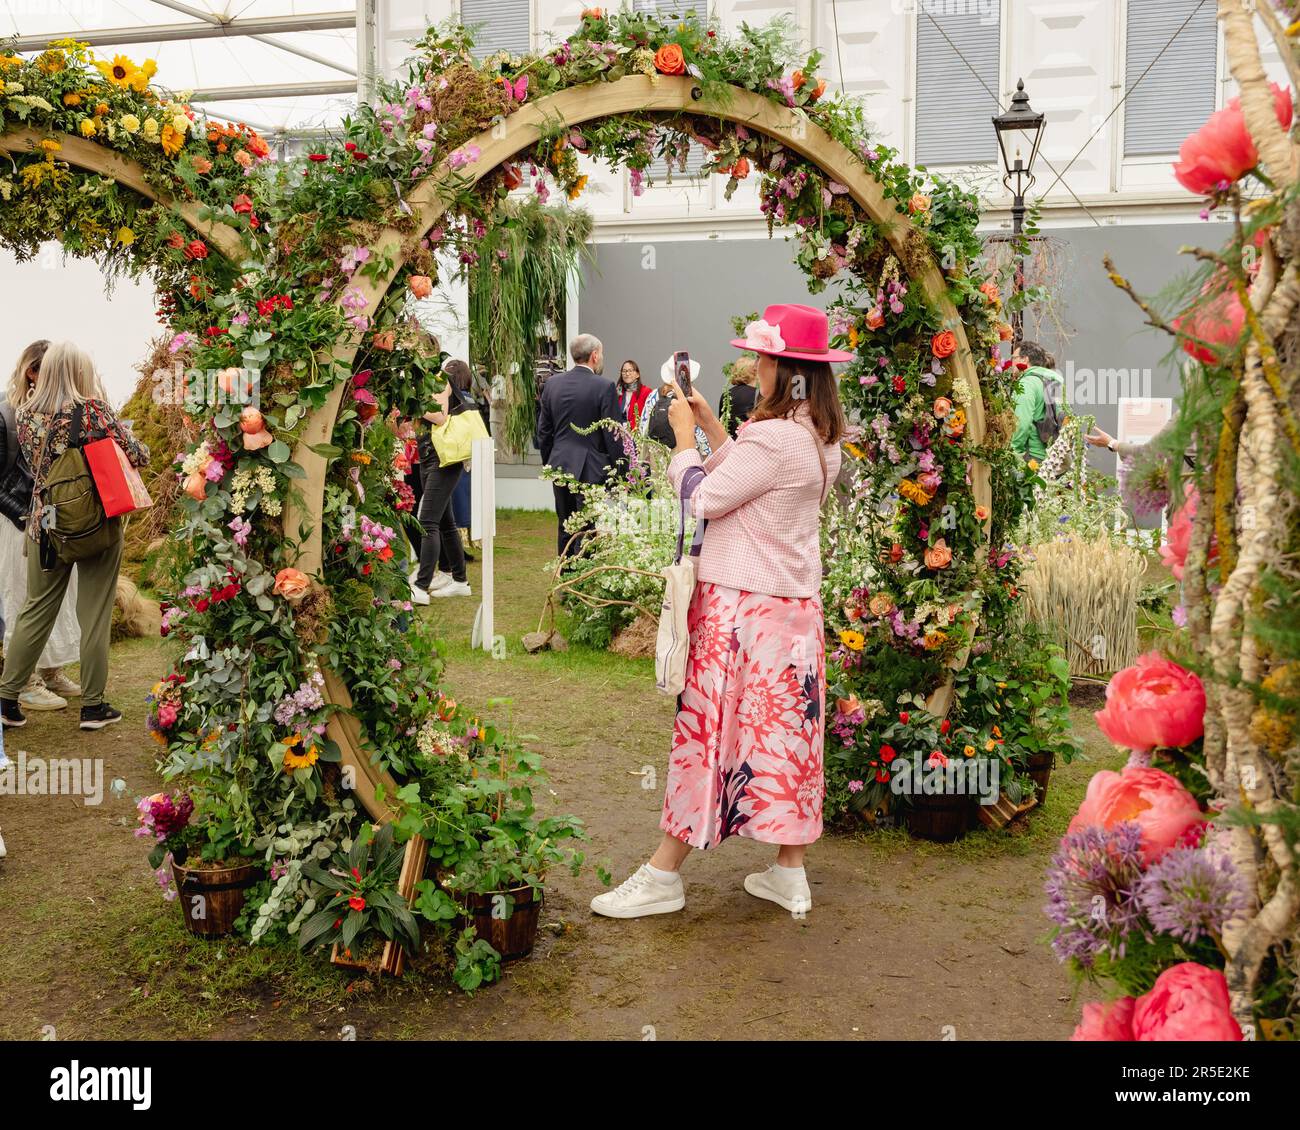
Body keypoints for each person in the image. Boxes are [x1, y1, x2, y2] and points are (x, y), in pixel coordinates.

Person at [591, 303, 848, 920]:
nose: (753, 365)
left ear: (785, 370)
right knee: (786, 739)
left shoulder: (775, 438)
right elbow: (752, 475)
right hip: (793, 614)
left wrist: (682, 438)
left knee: (708, 732)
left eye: (761, 356)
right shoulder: (819, 438)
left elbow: (700, 499)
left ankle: (664, 874)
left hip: (740, 612)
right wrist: (709, 420)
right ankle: (790, 873)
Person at [0, 342, 149, 731]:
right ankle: (94, 707)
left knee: (35, 610)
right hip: (94, 523)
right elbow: (137, 454)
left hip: (44, 523)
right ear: (79, 372)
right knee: (94, 615)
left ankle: (7, 699)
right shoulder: (93, 410)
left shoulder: (25, 413)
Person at [1, 341, 84, 712]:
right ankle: (24, 682)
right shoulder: (6, 416)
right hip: (16, 523)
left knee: (60, 595)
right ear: (32, 372)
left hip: (53, 520)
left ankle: (52, 671)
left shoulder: (60, 415)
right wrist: (23, 516)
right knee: (23, 597)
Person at [535, 333, 624, 558]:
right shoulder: (604, 386)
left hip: (560, 464)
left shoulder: (552, 384)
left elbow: (544, 432)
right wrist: (621, 471)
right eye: (601, 354)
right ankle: (581, 582)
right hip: (592, 467)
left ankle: (565, 576)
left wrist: (550, 463)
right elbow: (612, 434)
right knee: (589, 526)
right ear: (594, 355)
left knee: (565, 524)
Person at [411, 359, 473, 603]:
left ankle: (420, 586)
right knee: (445, 523)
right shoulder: (435, 385)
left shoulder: (442, 384)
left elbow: (440, 417)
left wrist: (415, 405)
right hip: (431, 459)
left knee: (427, 522)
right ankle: (460, 581)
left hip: (443, 461)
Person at [640, 356, 713, 456]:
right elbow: (698, 430)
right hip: (684, 449)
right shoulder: (689, 397)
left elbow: (644, 426)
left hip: (657, 451)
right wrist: (706, 453)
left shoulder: (654, 395)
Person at [1011, 340, 1067, 464]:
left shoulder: (1027, 383)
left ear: (1024, 359)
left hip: (1032, 456)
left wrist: (1014, 452)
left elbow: (1021, 422)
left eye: (1013, 358)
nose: (1011, 363)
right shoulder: (1056, 382)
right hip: (1054, 457)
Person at [718, 353, 759, 437]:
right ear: (754, 372)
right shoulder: (757, 395)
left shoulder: (726, 394)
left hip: (728, 440)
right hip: (748, 440)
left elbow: (722, 421)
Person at [616, 359, 652, 429]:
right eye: (624, 371)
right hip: (619, 433)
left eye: (630, 371)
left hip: (637, 434)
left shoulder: (646, 392)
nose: (627, 374)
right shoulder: (617, 392)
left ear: (637, 374)